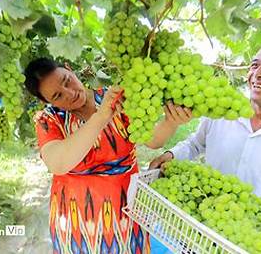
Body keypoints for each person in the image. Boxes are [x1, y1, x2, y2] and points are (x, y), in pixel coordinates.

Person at [149, 38, 261, 254]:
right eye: (255, 65)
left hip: (242, 242)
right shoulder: (221, 111)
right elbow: (196, 144)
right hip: (190, 226)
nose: (258, 73)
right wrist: (172, 155)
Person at [24, 57, 190, 254]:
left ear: (69, 68)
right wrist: (101, 116)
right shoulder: (49, 119)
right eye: (58, 96)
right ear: (48, 102)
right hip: (76, 222)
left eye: (67, 80)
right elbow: (57, 163)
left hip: (126, 213)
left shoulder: (116, 99)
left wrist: (172, 121)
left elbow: (152, 140)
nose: (69, 93)